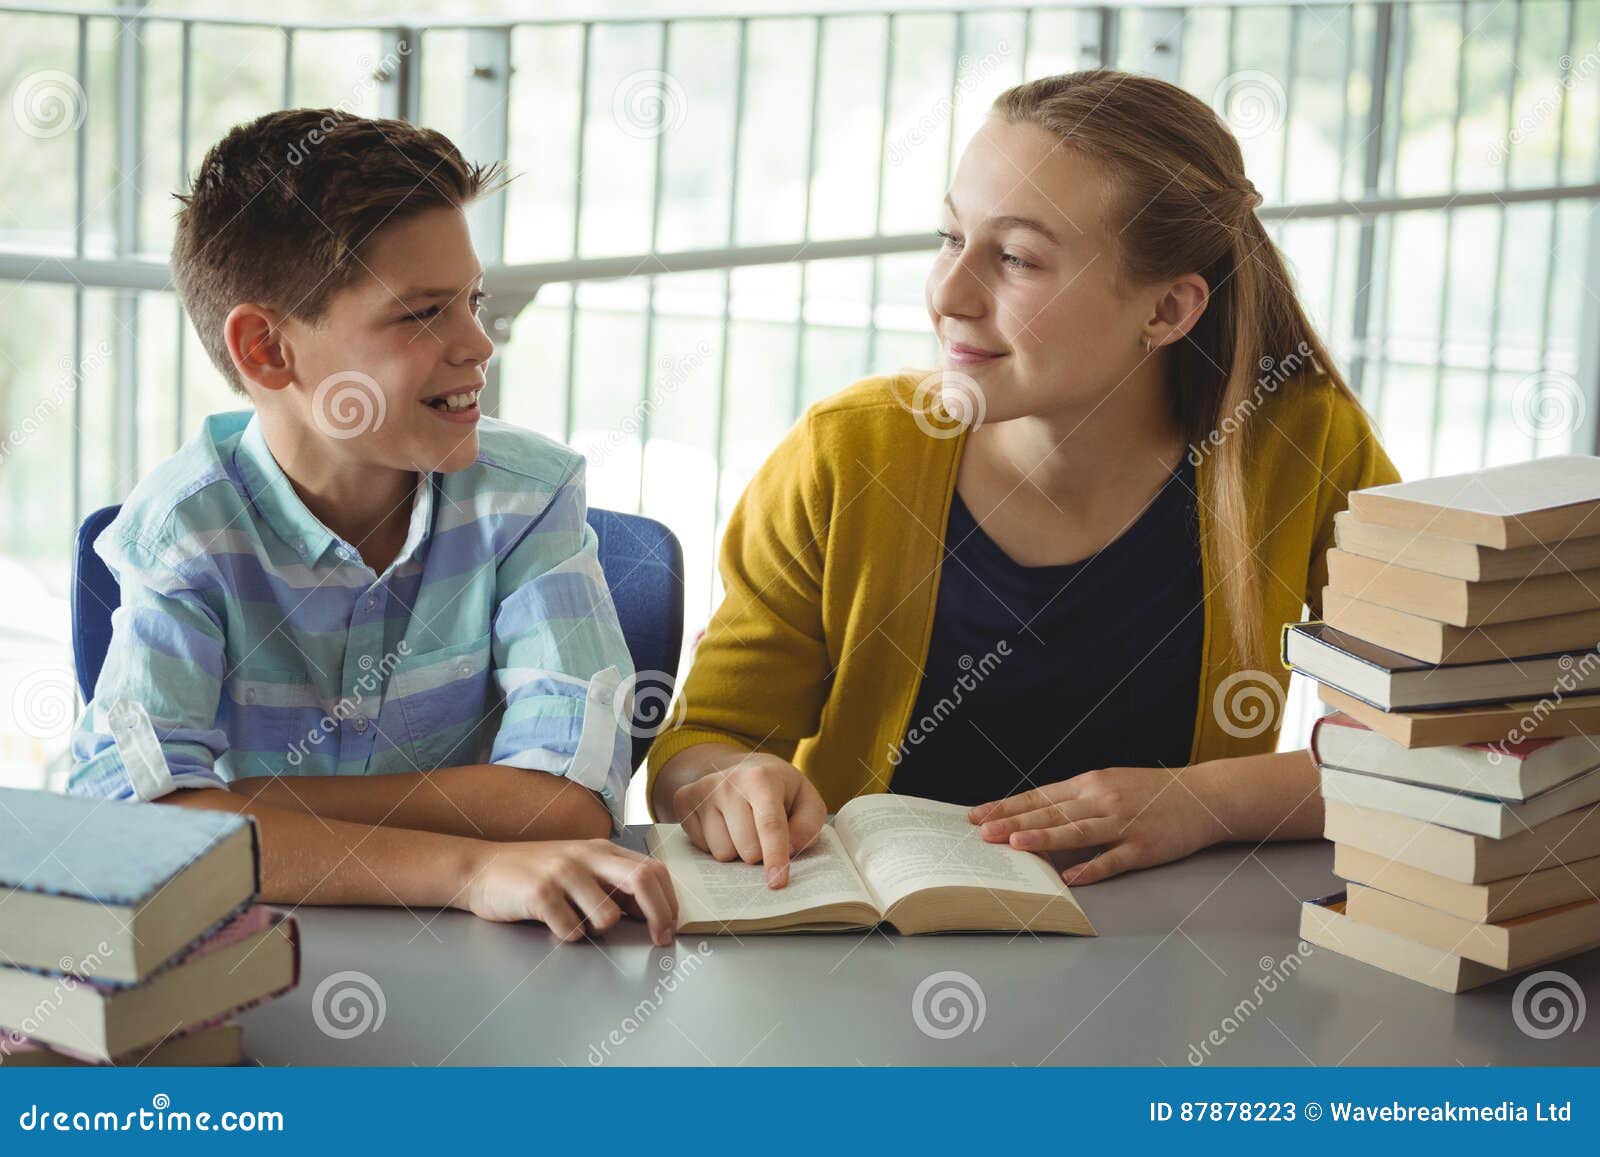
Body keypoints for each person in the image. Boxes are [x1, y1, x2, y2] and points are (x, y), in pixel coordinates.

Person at [647, 70, 1399, 891]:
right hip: (864, 963)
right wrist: (727, 785)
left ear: (1169, 311)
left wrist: (1206, 800)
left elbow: (1456, 744)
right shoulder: (847, 455)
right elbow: (702, 744)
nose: (947, 293)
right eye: (949, 237)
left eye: (1014, 257)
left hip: (1170, 964)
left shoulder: (1304, 450)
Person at [67, 109, 675, 945]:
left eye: (475, 300)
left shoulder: (529, 496)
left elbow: (565, 800)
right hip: (256, 968)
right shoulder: (182, 532)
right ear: (268, 350)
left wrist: (242, 811)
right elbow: (140, 833)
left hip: (488, 969)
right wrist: (466, 867)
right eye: (422, 313)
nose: (479, 343)